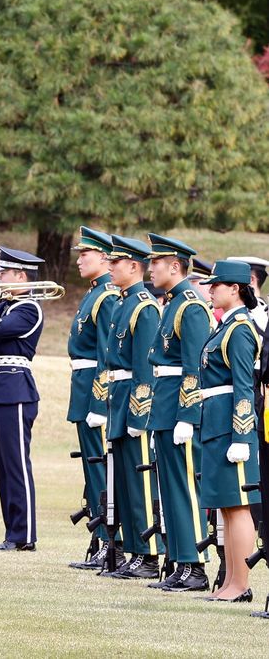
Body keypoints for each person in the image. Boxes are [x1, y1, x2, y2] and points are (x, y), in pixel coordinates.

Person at [145, 234, 212, 591]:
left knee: (185, 486)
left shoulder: (190, 306)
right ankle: (179, 560)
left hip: (179, 406)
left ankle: (195, 565)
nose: (150, 269)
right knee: (170, 487)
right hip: (165, 402)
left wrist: (187, 414)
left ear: (175, 266)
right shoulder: (172, 303)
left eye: (155, 263)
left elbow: (194, 368)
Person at [0, 246, 46, 551]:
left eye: (3, 274)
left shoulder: (29, 308)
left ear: (21, 276)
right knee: (2, 465)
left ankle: (23, 535)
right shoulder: (2, 306)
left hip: (15, 390)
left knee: (16, 465)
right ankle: (12, 532)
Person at [200, 260, 262, 602]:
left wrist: (241, 436)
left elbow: (243, 387)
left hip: (231, 427)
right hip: (216, 423)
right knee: (226, 505)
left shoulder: (239, 329)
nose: (210, 290)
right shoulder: (225, 326)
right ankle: (230, 583)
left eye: (216, 285)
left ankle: (241, 584)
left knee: (238, 506)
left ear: (235, 289)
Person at [101, 235, 162, 579]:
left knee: (139, 482)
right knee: (124, 482)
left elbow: (144, 368)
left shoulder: (143, 306)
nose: (109, 267)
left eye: (116, 262)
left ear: (134, 266)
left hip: (133, 399)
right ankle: (134, 550)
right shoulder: (122, 303)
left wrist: (140, 412)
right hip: (118, 396)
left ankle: (148, 554)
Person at [66, 227, 121, 570]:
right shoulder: (95, 293)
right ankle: (100, 538)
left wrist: (100, 402)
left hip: (94, 393)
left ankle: (109, 540)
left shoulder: (106, 297)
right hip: (82, 387)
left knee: (101, 469)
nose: (79, 260)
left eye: (85, 254)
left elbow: (106, 355)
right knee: (92, 468)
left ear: (103, 257)